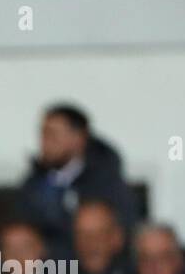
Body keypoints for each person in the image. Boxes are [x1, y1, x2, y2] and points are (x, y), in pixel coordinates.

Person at [14, 104, 137, 258]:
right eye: (43, 134)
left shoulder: (108, 185)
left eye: (52, 135)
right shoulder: (32, 187)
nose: (44, 142)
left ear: (78, 138)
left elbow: (125, 237)